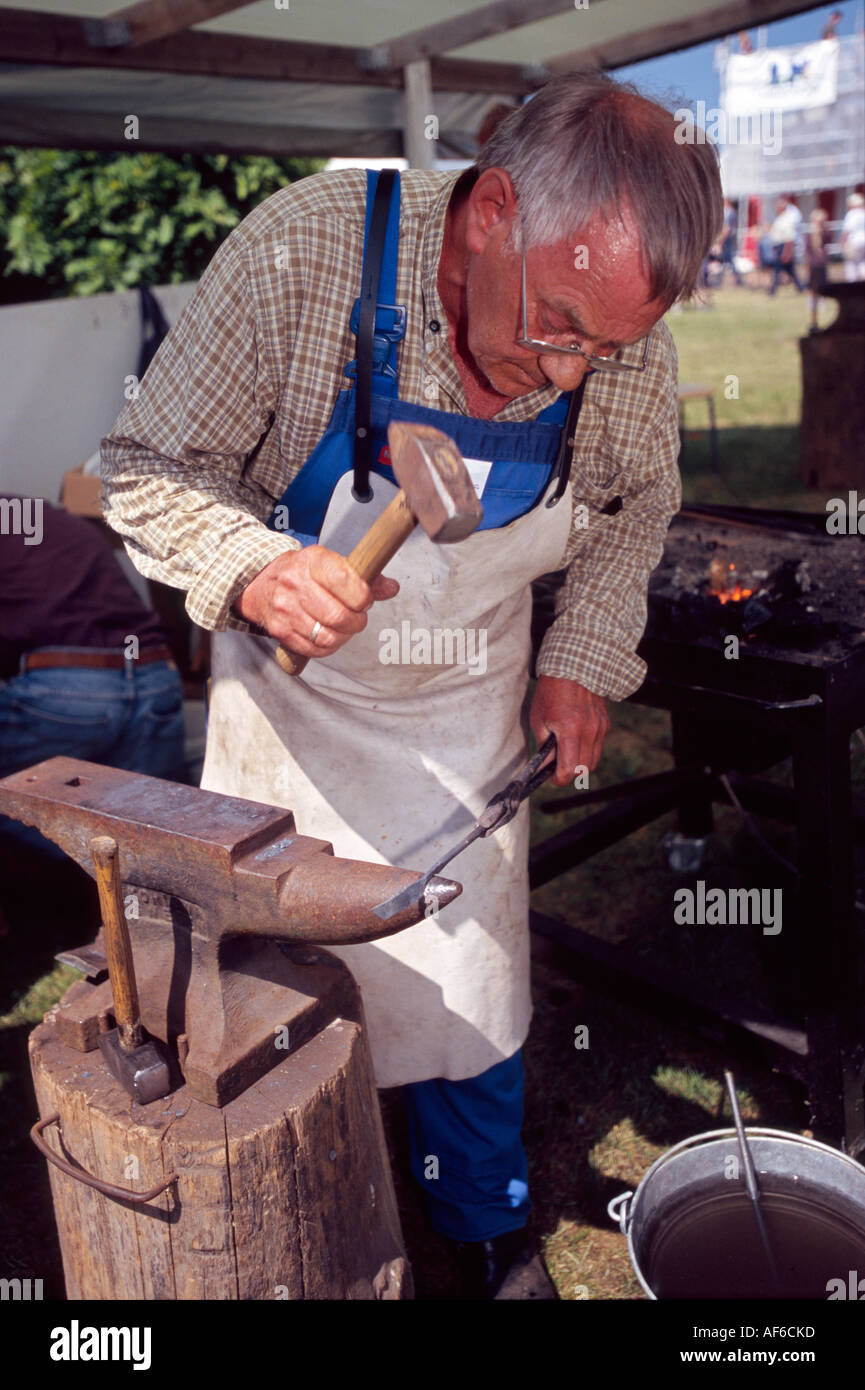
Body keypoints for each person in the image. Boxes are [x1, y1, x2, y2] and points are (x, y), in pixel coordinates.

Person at [101, 70, 722, 1299]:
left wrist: (582, 657)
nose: (568, 373)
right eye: (556, 326)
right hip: (292, 710)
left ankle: (478, 1211)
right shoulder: (305, 252)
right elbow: (143, 464)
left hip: (467, 700)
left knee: (468, 977)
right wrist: (258, 566)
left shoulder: (607, 336)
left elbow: (633, 502)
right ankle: (298, 1214)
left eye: (608, 346)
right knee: (277, 991)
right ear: (492, 209)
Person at [0, 496, 186, 859]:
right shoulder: (44, 517)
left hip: (67, 696)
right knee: (152, 841)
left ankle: (76, 872)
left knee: (34, 822)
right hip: (156, 679)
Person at [768, 195, 804, 294]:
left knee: (777, 270)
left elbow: (790, 238)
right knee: (790, 270)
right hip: (779, 246)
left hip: (783, 246)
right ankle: (800, 286)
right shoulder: (780, 218)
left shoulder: (788, 219)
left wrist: (786, 252)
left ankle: (772, 290)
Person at [805, 207, 831, 332]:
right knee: (815, 290)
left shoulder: (820, 232)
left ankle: (815, 317)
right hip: (817, 264)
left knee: (817, 290)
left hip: (817, 264)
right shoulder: (815, 233)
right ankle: (814, 319)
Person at [840, 192, 865, 282]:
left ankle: (852, 285)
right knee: (862, 264)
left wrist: (842, 243)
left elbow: (846, 231)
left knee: (851, 265)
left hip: (854, 242)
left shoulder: (851, 214)